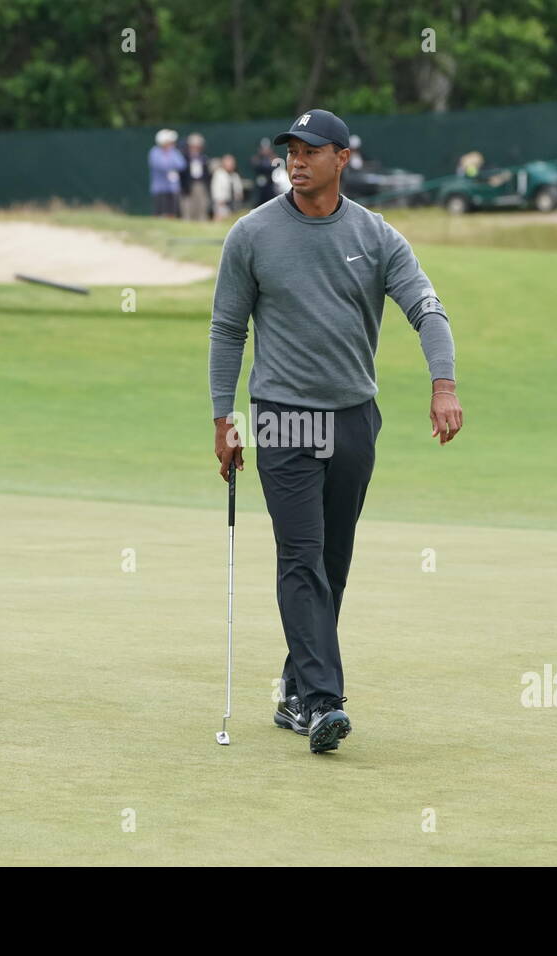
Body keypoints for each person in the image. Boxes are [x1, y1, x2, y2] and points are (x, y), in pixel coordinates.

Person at [208, 109, 461, 755]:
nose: (297, 159)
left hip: (353, 417)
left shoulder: (377, 237)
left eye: (311, 149)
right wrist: (224, 418)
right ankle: (324, 703)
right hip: (282, 415)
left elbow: (427, 309)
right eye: (290, 149)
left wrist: (443, 384)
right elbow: (228, 330)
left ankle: (295, 691)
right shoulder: (252, 234)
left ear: (342, 158)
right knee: (300, 557)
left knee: (332, 563)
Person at [149, 129, 185, 218]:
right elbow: (160, 165)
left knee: (172, 211)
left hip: (173, 187)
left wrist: (170, 157)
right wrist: (170, 165)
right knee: (160, 211)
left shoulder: (174, 152)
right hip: (160, 187)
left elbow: (182, 164)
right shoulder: (155, 152)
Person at [180, 132, 211, 221]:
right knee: (188, 204)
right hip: (188, 184)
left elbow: (206, 172)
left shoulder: (203, 157)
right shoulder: (184, 157)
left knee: (202, 203)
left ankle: (201, 219)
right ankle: (187, 220)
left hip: (200, 183)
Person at [210, 153, 243, 219]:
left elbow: (239, 189)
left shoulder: (235, 175)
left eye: (231, 163)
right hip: (222, 203)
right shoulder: (219, 174)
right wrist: (219, 201)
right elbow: (215, 189)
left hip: (234, 204)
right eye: (228, 162)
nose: (230, 165)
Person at [250, 138, 280, 207]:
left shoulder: (274, 158)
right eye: (263, 148)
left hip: (271, 188)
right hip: (259, 191)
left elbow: (273, 167)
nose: (265, 151)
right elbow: (256, 165)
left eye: (267, 148)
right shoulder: (256, 159)